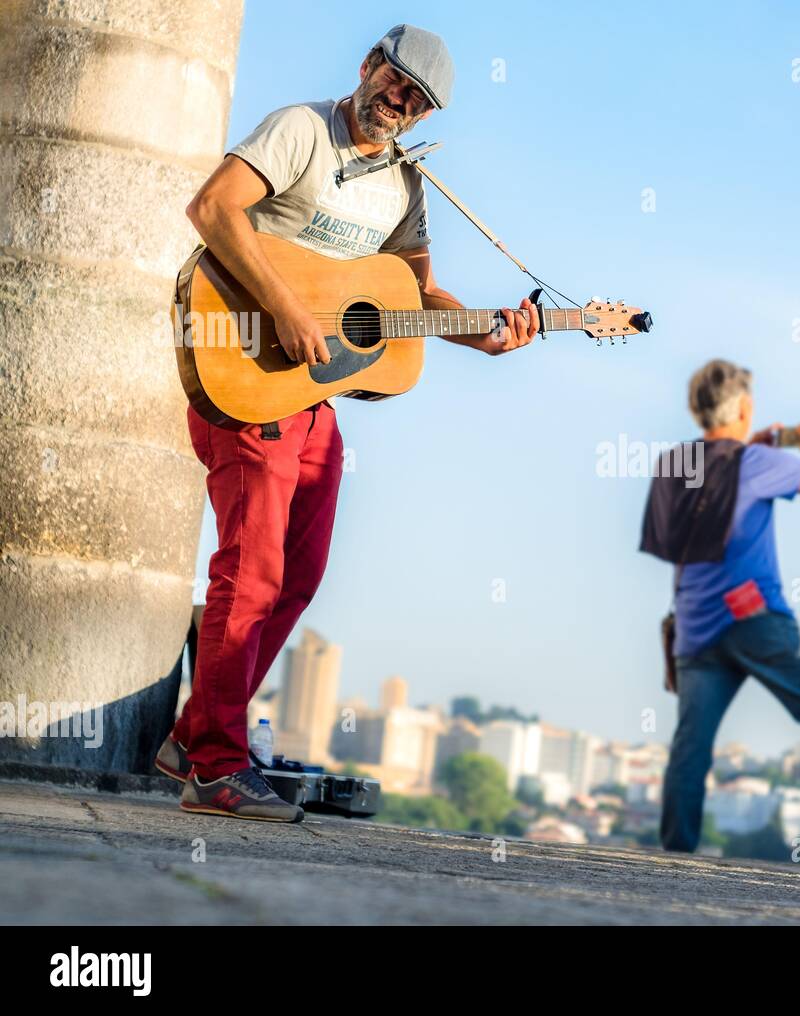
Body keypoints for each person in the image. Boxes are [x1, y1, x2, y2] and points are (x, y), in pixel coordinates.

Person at [155, 25, 540, 822]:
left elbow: (417, 298)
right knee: (249, 574)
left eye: (418, 102)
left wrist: (487, 330)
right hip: (245, 368)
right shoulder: (301, 129)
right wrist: (286, 305)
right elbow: (212, 206)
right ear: (369, 66)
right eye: (395, 84)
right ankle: (216, 771)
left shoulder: (405, 187)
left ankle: (192, 737)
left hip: (312, 397)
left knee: (298, 575)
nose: (399, 104)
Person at [641, 359, 800, 870]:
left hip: (695, 626)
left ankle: (675, 854)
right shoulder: (760, 465)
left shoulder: (679, 462)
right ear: (744, 406)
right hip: (755, 618)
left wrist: (755, 449)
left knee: (691, 746)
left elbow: (708, 505)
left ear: (696, 409)